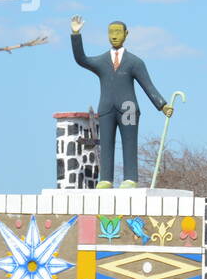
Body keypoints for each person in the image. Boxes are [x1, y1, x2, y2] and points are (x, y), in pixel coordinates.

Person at [70, 16, 172, 188]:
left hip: (129, 109)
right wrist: (75, 34)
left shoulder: (135, 62)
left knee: (129, 143)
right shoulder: (101, 61)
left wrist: (162, 105)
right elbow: (82, 59)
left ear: (126, 34)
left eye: (118, 32)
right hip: (106, 109)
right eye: (111, 32)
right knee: (107, 142)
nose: (114, 36)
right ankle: (105, 179)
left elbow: (148, 85)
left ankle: (130, 178)